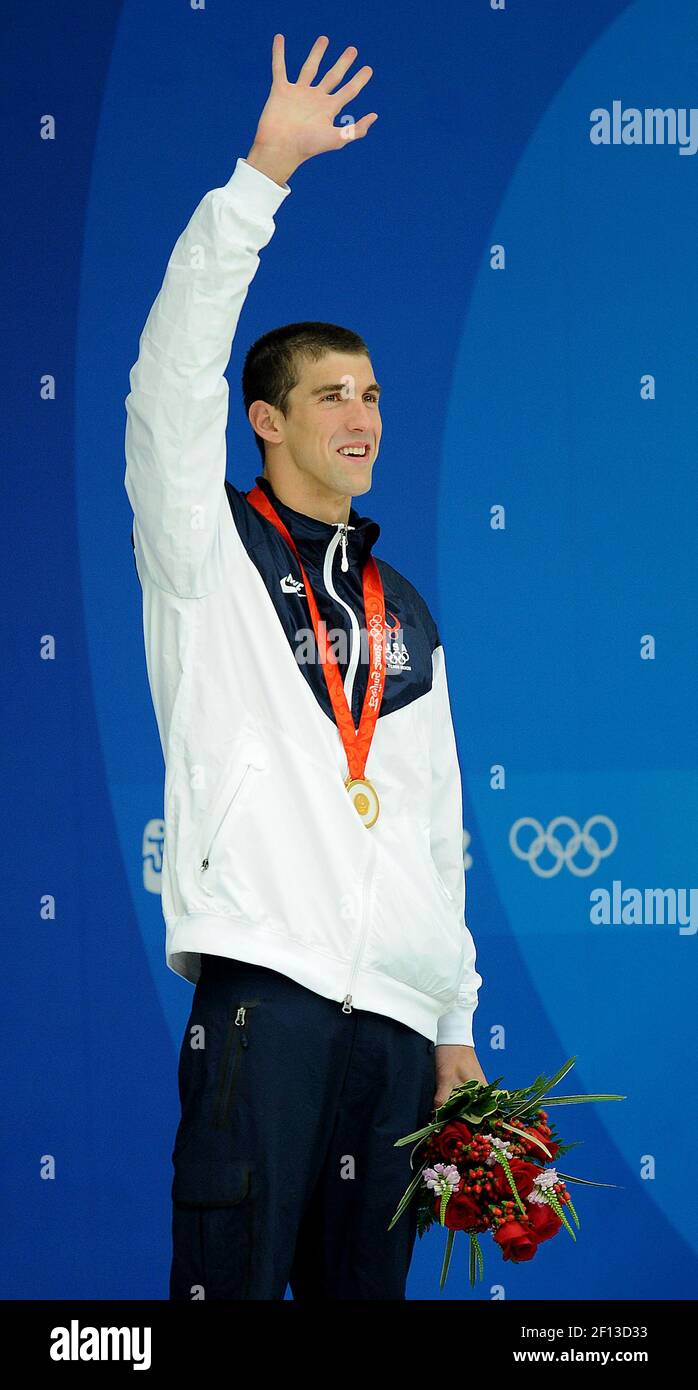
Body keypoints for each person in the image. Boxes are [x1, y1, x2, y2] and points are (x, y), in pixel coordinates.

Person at [124, 32, 485, 1301]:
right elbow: (168, 383)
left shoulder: (404, 612)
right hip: (263, 1002)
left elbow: (435, 833)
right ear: (266, 419)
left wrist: (451, 1029)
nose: (362, 416)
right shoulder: (203, 552)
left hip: (391, 1027)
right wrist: (261, 180)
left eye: (374, 393)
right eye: (331, 394)